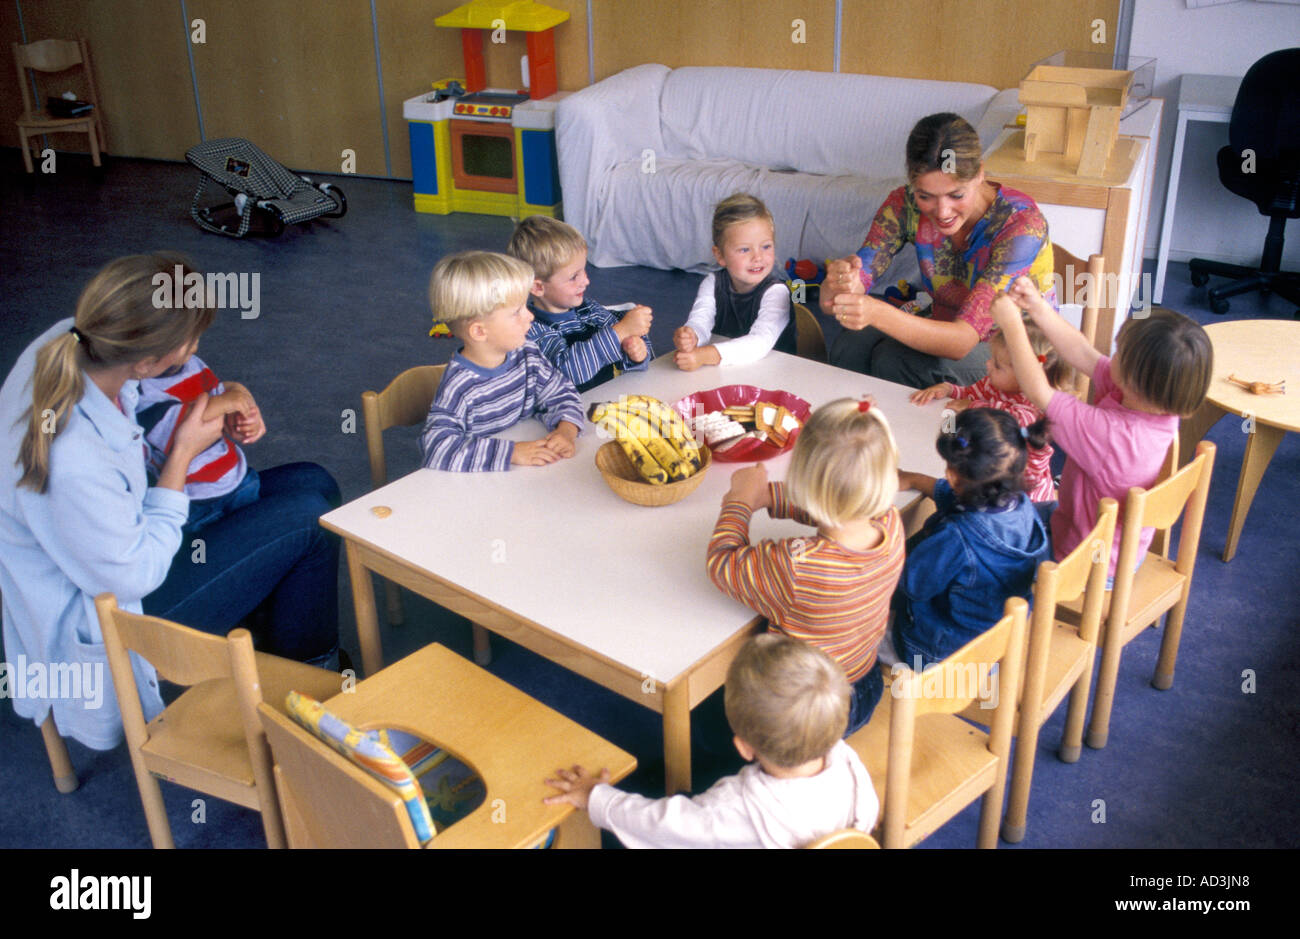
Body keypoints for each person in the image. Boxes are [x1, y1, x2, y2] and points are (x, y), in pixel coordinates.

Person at [0, 253, 342, 750]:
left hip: (126, 540)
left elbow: (151, 401)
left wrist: (230, 394)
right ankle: (313, 691)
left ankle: (270, 652)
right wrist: (183, 452)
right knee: (309, 522)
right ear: (144, 361)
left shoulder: (76, 340)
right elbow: (133, 575)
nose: (196, 347)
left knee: (317, 483)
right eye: (190, 341)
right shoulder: (74, 458)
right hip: (120, 612)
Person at [543, 632, 878, 849]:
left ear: (745, 747)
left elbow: (660, 825)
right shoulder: (847, 762)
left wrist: (598, 798)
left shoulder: (732, 808)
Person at [706, 398, 904, 733]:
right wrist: (768, 497)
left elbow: (721, 563)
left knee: (710, 726)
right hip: (865, 683)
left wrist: (738, 503)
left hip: (811, 715)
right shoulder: (891, 523)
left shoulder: (797, 566)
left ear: (803, 477)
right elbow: (841, 502)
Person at [992, 277, 1213, 576]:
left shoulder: (1113, 436)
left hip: (1082, 561)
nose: (1113, 356)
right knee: (1015, 513)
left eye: (1119, 352)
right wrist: (1038, 307)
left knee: (988, 537)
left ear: (1134, 379)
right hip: (1119, 550)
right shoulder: (1157, 404)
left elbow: (1038, 392)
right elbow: (1082, 352)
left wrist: (1012, 325)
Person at [822, 112, 1055, 388]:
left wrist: (875, 312)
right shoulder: (903, 204)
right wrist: (839, 282)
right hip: (947, 322)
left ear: (980, 173)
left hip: (1017, 351)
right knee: (853, 342)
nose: (942, 212)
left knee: (895, 360)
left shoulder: (1021, 225)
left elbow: (961, 341)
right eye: (925, 196)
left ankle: (905, 428)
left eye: (956, 195)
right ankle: (848, 425)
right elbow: (830, 302)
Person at [890, 407, 1051, 672]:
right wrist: (917, 479)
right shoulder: (1018, 504)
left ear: (953, 476)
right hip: (989, 642)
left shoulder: (957, 538)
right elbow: (959, 499)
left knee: (857, 625)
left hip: (935, 656)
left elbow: (911, 584)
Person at [419, 251, 585, 472]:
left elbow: (560, 392)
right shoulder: (459, 386)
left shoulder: (527, 354)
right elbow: (437, 447)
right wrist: (512, 452)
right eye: (517, 312)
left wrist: (566, 430)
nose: (530, 316)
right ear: (479, 331)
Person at [909, 315, 1071, 503]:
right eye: (992, 358)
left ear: (1024, 375)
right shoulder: (994, 383)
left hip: (1022, 499)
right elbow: (970, 393)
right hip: (988, 476)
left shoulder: (1039, 407)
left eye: (997, 365)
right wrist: (949, 389)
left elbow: (1010, 421)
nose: (988, 365)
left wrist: (973, 406)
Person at [507, 215, 654, 392]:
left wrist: (635, 353)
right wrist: (621, 331)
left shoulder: (589, 310)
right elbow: (568, 372)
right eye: (573, 277)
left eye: (584, 270)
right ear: (538, 287)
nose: (585, 281)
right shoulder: (530, 331)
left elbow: (633, 356)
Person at [136, 349, 263, 533]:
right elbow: (180, 429)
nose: (194, 347)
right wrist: (226, 402)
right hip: (198, 502)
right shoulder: (141, 389)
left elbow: (217, 392)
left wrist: (241, 411)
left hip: (236, 477)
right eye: (188, 338)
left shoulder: (190, 363)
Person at [673, 192, 795, 370]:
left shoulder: (777, 292)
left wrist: (705, 355)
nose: (758, 257)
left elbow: (759, 342)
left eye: (766, 246)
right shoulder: (712, 283)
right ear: (720, 255)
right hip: (727, 371)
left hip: (774, 374)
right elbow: (701, 320)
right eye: (745, 249)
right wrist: (691, 336)